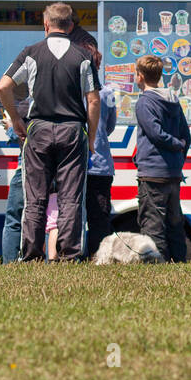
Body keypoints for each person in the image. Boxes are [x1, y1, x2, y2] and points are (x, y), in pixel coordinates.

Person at [0, 2, 101, 262]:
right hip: (72, 130)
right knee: (70, 199)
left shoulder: (31, 53)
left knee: (35, 198)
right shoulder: (83, 56)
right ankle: (69, 256)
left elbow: (3, 87)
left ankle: (31, 256)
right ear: (71, 26)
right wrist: (92, 138)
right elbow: (94, 101)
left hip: (39, 130)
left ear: (46, 25)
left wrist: (16, 119)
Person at [132, 54, 191, 262]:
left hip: (152, 174)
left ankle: (157, 267)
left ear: (139, 76)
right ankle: (179, 263)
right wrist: (178, 157)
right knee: (175, 223)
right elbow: (186, 135)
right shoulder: (173, 100)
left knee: (152, 225)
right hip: (173, 174)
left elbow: (155, 133)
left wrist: (175, 145)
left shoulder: (144, 103)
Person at [85, 65, 118, 258]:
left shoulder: (71, 90)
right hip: (101, 163)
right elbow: (110, 125)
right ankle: (99, 258)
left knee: (70, 215)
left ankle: (72, 256)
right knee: (100, 217)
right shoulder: (107, 93)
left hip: (75, 163)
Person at [0, 97, 30, 263]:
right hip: (54, 169)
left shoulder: (27, 104)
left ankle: (10, 262)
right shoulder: (65, 102)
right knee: (50, 219)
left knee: (14, 219)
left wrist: (10, 127)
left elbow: (20, 136)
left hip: (26, 166)